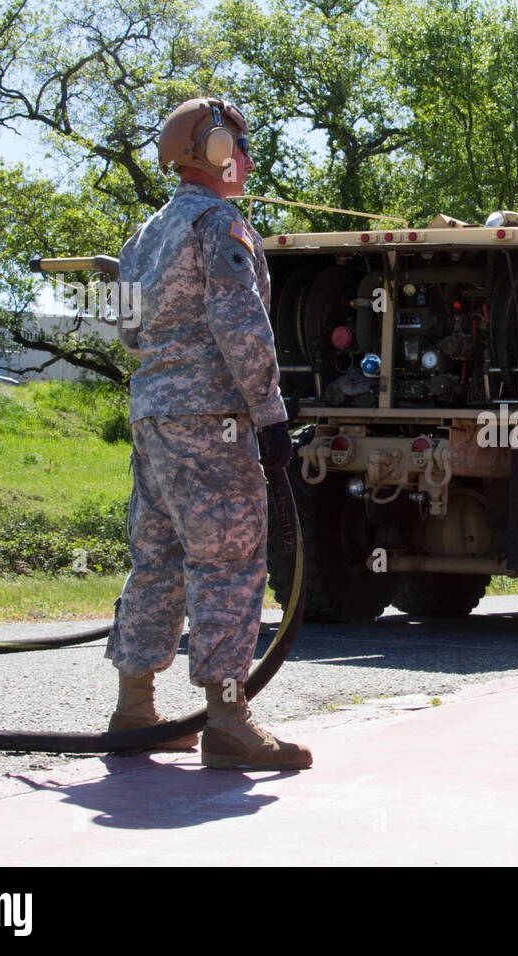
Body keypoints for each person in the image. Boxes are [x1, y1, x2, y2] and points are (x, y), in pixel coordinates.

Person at [105, 96, 311, 769]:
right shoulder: (221, 224)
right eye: (243, 146)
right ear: (218, 150)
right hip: (213, 425)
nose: (249, 160)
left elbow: (130, 332)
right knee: (228, 563)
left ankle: (135, 711)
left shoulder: (145, 235)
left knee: (157, 561)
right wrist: (272, 413)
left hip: (153, 418)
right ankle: (227, 719)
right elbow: (240, 326)